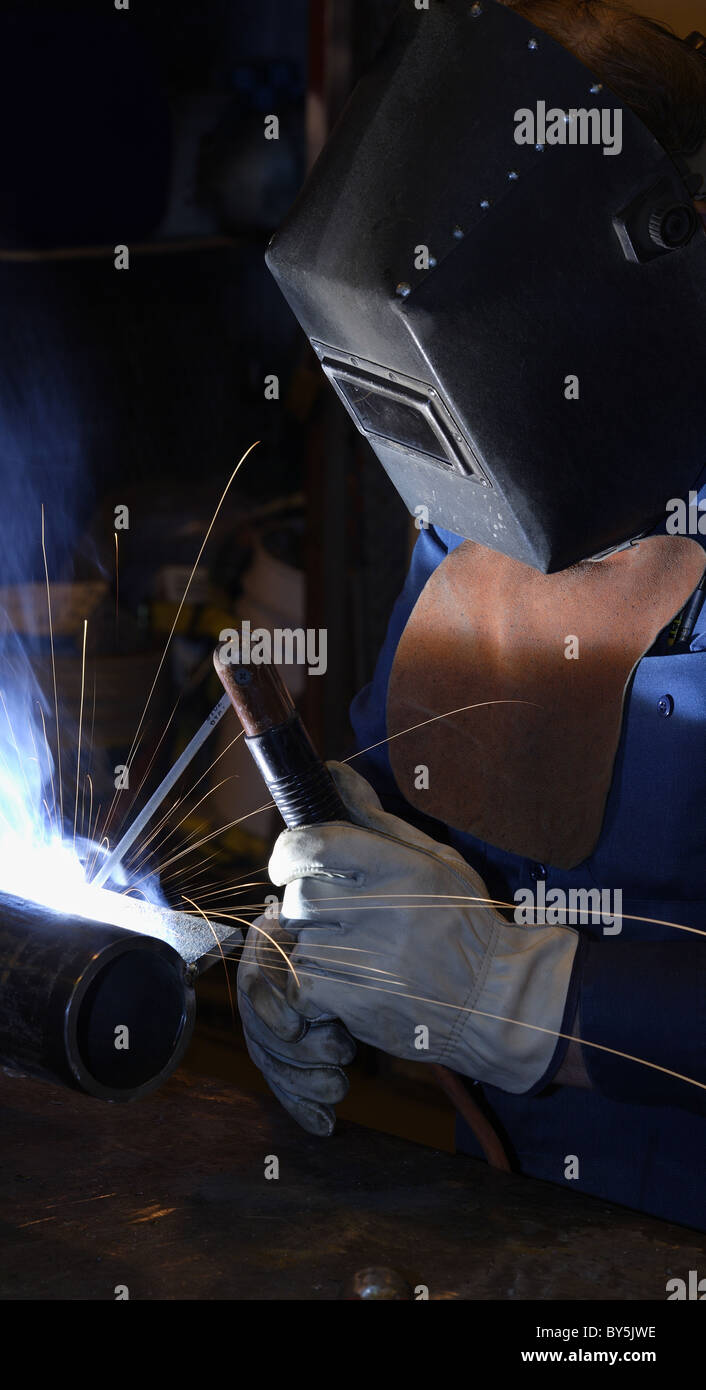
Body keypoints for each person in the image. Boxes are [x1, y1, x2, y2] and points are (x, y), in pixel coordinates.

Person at [239, 0, 706, 1233]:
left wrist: (515, 999)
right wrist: (335, 912)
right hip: (503, 1220)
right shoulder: (504, 464)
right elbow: (419, 771)